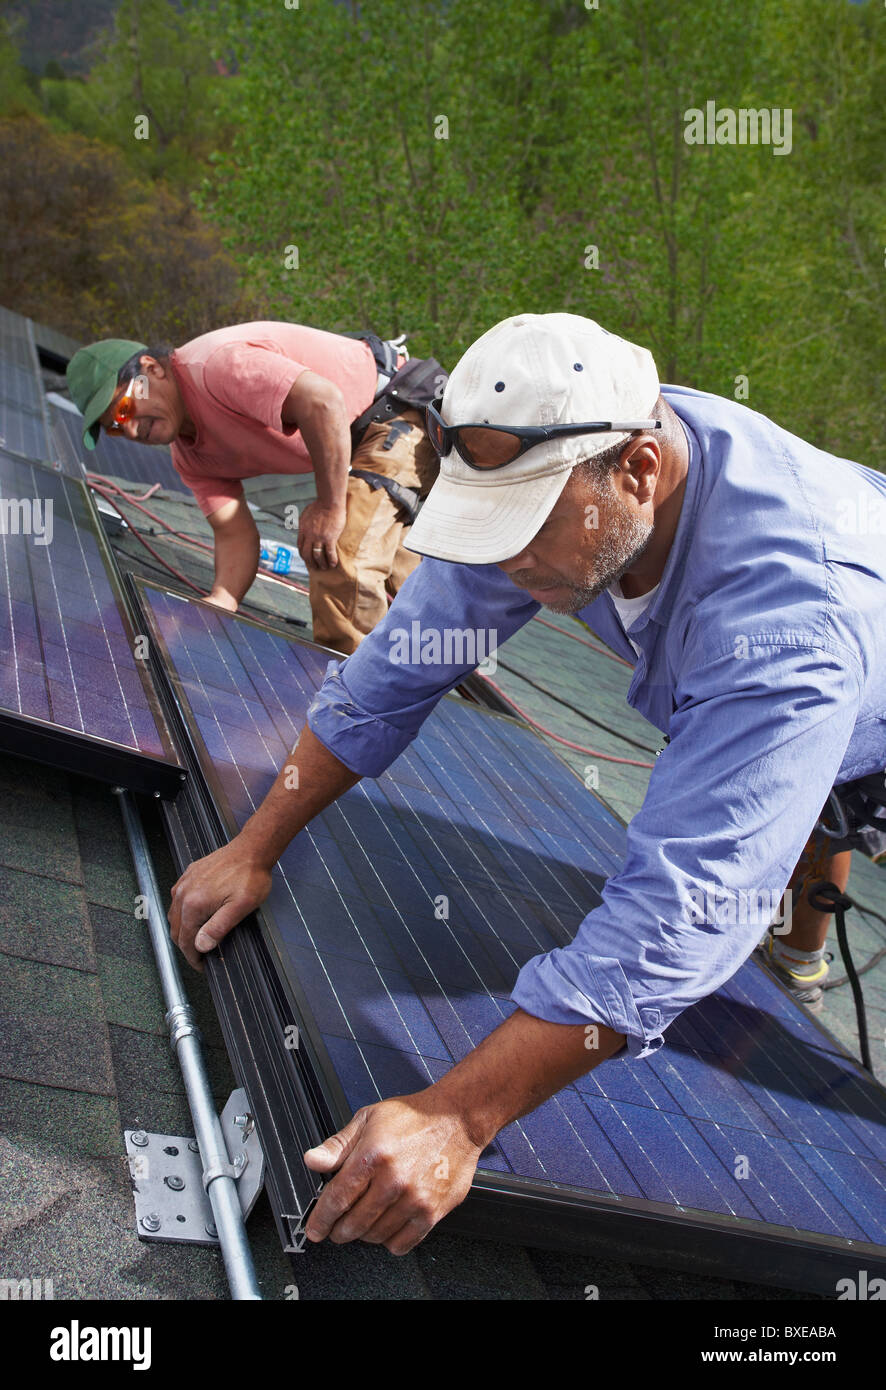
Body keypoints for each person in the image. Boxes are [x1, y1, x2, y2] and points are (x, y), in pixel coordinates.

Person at [167, 312, 886, 1255]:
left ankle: (802, 955)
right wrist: (253, 846)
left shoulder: (787, 622)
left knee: (791, 862)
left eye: (527, 531)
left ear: (639, 472)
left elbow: (682, 916)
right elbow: (394, 674)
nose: (506, 562)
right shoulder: (563, 474)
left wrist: (457, 1119)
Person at [65, 323, 442, 654]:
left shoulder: (217, 367)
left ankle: (356, 705)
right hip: (359, 441)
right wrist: (220, 602)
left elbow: (324, 402)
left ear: (150, 369)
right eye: (114, 426)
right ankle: (439, 660)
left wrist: (329, 506)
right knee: (410, 583)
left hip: (395, 408)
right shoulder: (190, 458)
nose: (129, 429)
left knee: (337, 551)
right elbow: (233, 533)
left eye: (126, 407)